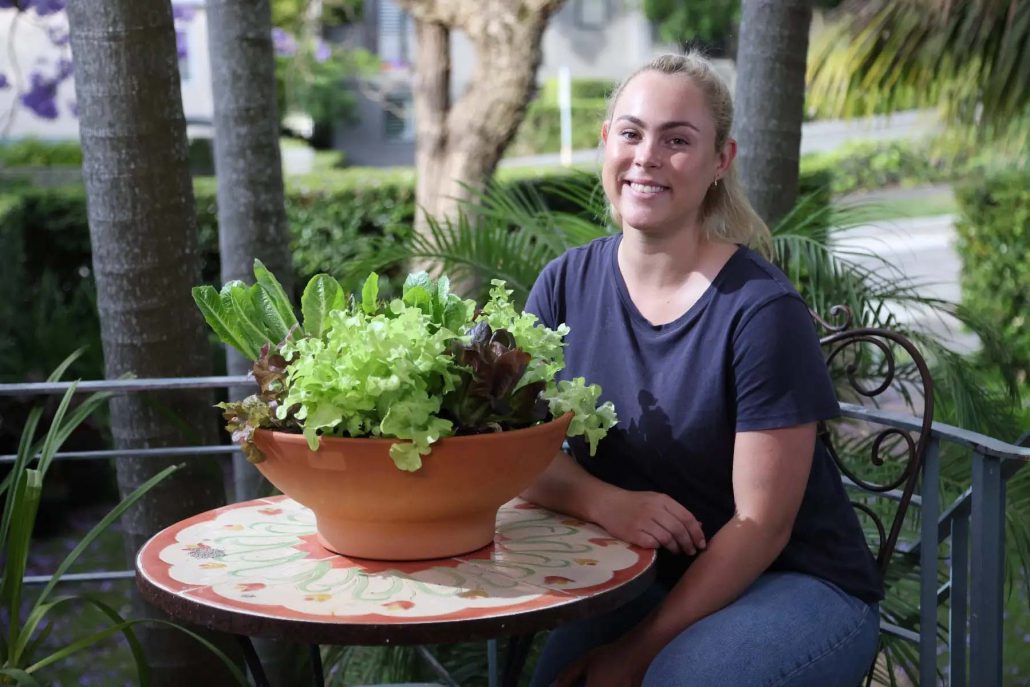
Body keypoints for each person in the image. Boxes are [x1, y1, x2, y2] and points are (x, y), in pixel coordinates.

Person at [520, 52, 883, 687]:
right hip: (642, 572)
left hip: (794, 582)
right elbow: (518, 455)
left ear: (721, 161)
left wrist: (636, 654)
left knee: (675, 680)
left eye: (678, 140)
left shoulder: (760, 311)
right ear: (607, 142)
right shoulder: (563, 286)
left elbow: (762, 526)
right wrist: (607, 502)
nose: (648, 156)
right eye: (631, 133)